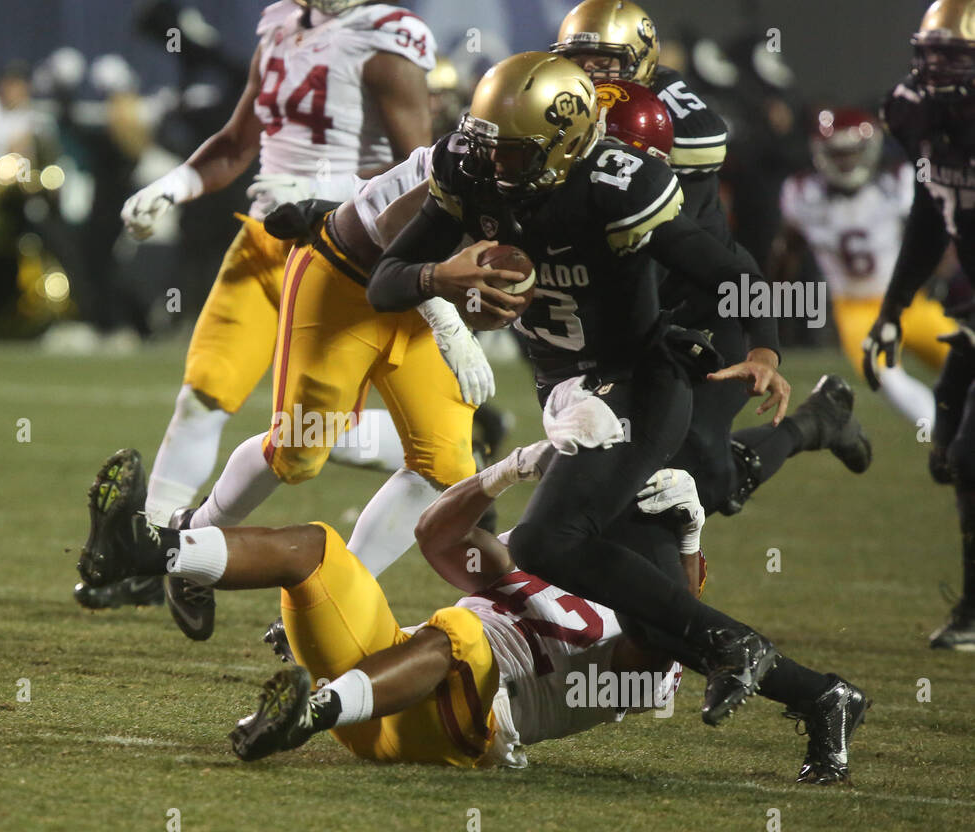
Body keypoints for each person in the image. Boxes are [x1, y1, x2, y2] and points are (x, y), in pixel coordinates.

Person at [366, 52, 836, 728]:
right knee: (652, 617)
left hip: (639, 383)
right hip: (566, 390)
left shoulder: (612, 183)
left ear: (567, 142)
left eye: (516, 153)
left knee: (540, 542)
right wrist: (440, 276)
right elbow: (385, 278)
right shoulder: (474, 168)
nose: (497, 166)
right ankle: (820, 696)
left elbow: (724, 266)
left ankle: (736, 646)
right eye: (490, 146)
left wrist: (763, 343)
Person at [74, 443, 868, 783]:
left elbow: (676, 633)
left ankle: (306, 713)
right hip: (382, 677)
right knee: (316, 547)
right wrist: (513, 467)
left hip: (455, 728)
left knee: (461, 635)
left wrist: (690, 533)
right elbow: (437, 535)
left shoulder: (643, 655)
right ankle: (150, 552)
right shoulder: (544, 561)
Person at [114, 0, 436, 613]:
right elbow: (238, 143)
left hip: (336, 254)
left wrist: (330, 202)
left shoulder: (388, 42)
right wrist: (173, 185)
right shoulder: (281, 27)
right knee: (204, 394)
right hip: (262, 240)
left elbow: (419, 173)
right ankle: (148, 548)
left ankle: (461, 457)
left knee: (314, 436)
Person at [551, 0, 870, 518]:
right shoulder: (563, 106)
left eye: (604, 62)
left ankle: (814, 421)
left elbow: (716, 262)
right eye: (576, 59)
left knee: (705, 477)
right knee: (642, 470)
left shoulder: (672, 128)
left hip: (703, 305)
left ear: (641, 61)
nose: (587, 74)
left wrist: (765, 348)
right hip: (639, 308)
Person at [863, 0, 975, 649]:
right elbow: (931, 211)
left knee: (969, 452)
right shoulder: (911, 109)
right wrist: (892, 310)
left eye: (953, 58)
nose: (936, 71)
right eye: (930, 54)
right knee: (949, 457)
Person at [772, 108, 956, 424]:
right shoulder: (803, 193)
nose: (845, 162)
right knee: (886, 378)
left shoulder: (897, 181)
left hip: (907, 299)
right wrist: (774, 302)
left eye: (852, 152)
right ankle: (947, 440)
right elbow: (788, 250)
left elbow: (938, 232)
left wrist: (940, 275)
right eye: (837, 154)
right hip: (857, 310)